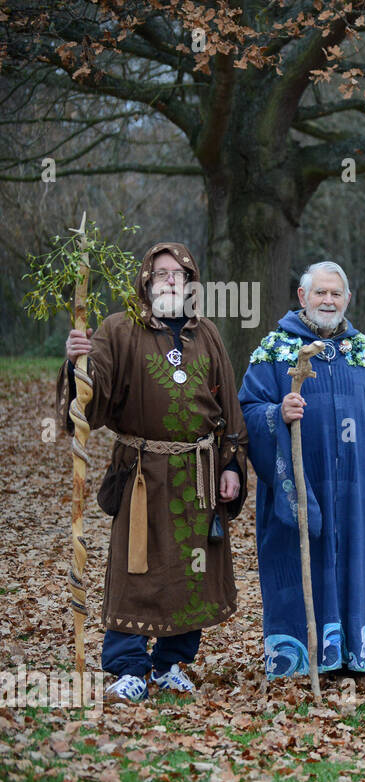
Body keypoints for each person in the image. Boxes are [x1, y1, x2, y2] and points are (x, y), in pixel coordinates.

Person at [62, 242, 247, 702]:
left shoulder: (207, 335)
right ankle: (128, 667)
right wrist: (78, 362)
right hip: (143, 473)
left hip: (199, 476)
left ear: (190, 284)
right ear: (146, 280)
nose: (170, 280)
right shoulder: (119, 329)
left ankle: (170, 663)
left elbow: (229, 408)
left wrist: (231, 463)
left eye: (179, 274)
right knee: (136, 565)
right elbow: (93, 397)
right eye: (161, 273)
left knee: (191, 570)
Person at [239, 261, 365, 681]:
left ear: (347, 300)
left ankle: (354, 654)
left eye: (335, 294)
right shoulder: (275, 348)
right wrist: (276, 413)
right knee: (301, 557)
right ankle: (299, 657)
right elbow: (246, 411)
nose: (328, 300)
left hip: (356, 490)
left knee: (354, 562)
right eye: (320, 293)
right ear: (302, 297)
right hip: (302, 482)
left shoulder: (363, 353)